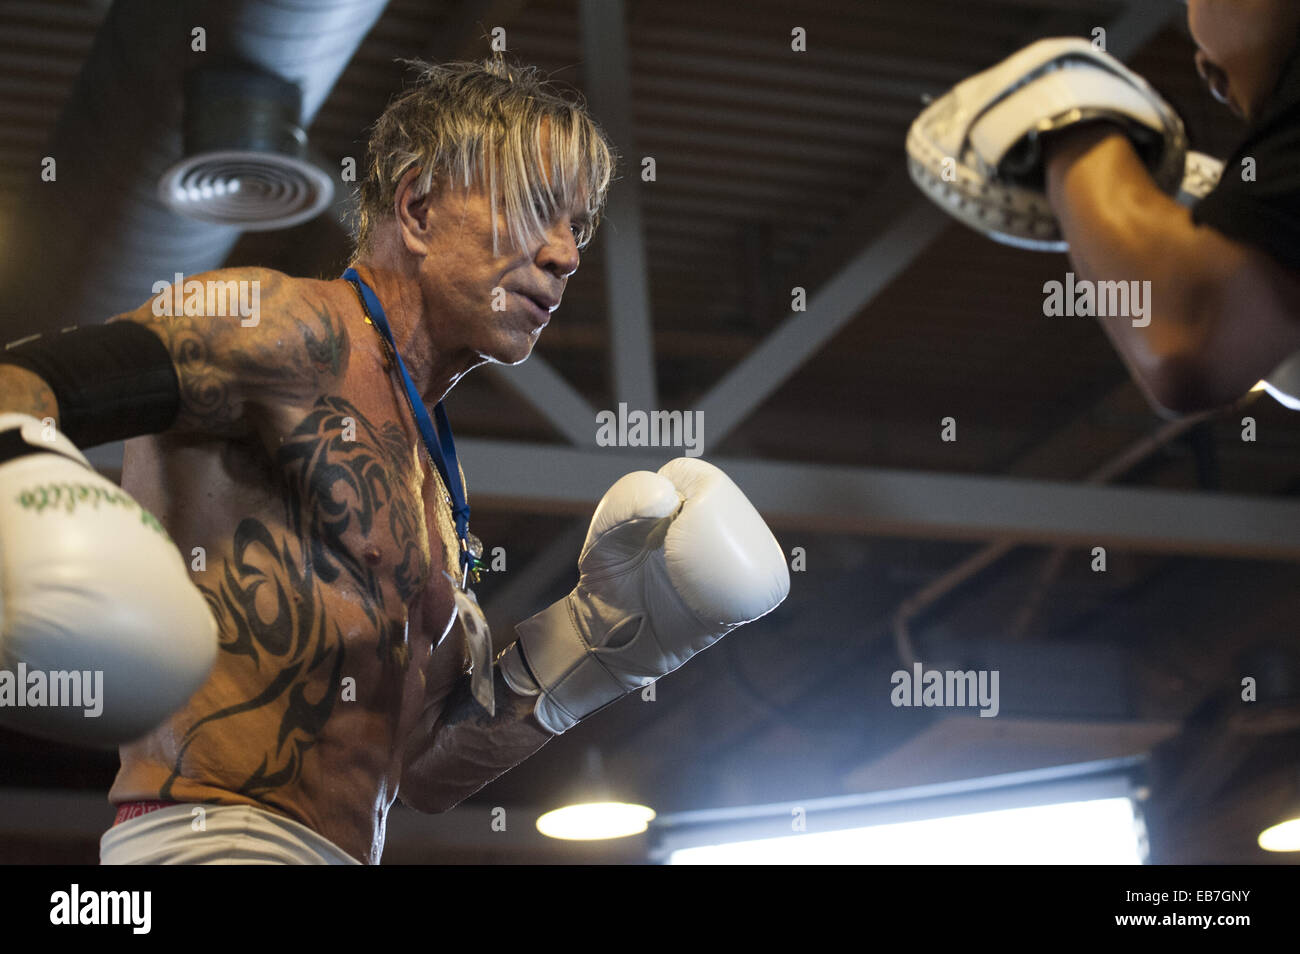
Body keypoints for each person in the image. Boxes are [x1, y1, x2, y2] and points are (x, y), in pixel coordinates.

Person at [0, 58, 789, 865]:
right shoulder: (278, 330)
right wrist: (18, 473)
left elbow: (426, 773)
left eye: (578, 227)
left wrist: (602, 642)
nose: (566, 255)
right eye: (536, 209)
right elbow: (25, 382)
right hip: (209, 841)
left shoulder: (435, 485)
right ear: (417, 208)